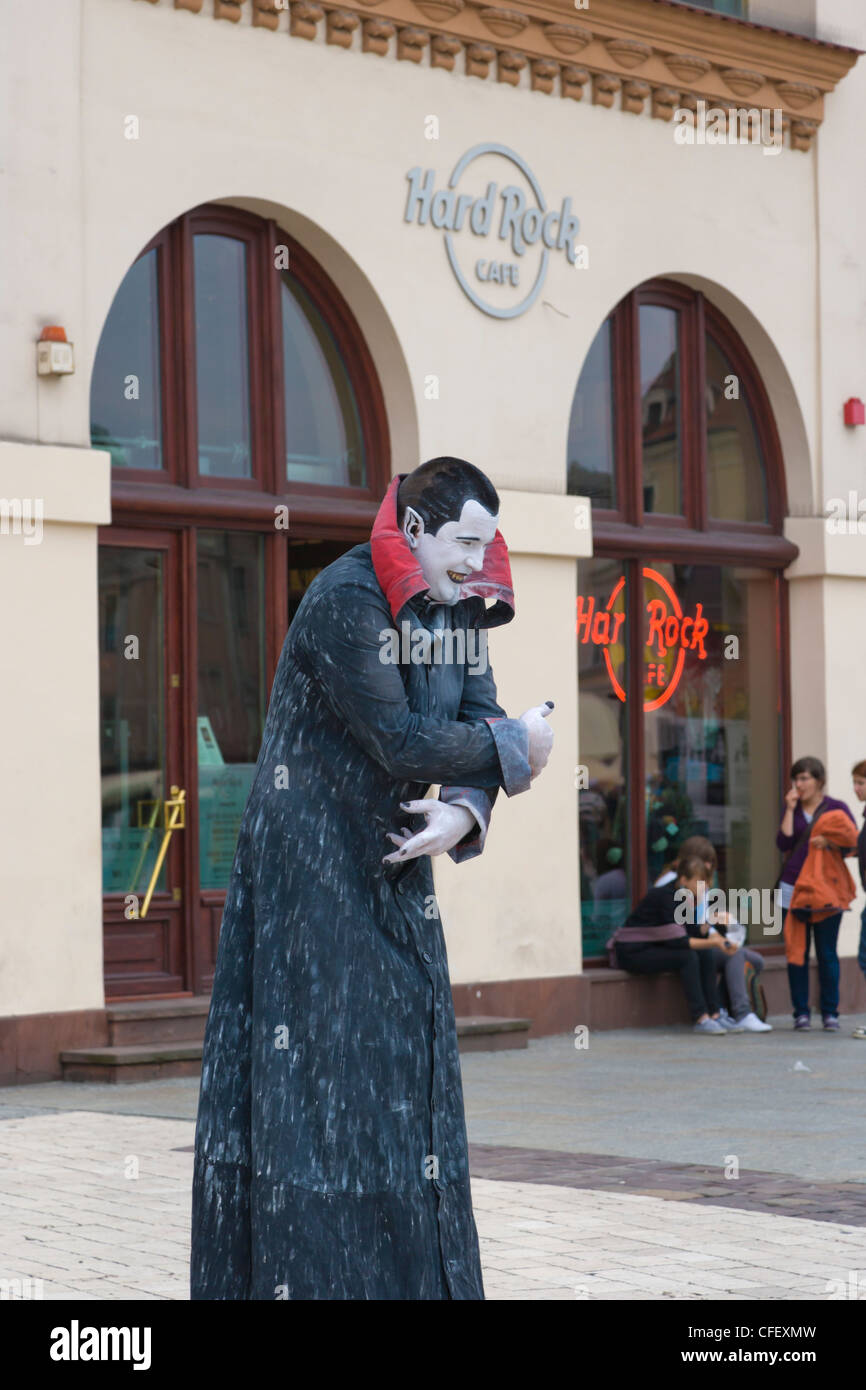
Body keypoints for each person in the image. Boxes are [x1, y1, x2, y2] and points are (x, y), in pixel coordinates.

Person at [190, 457, 554, 1301]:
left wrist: (466, 810)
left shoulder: (457, 603)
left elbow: (475, 713)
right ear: (417, 531)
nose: (474, 562)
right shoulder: (347, 600)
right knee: (323, 1084)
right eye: (464, 541)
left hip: (391, 858)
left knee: (403, 1070)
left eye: (486, 545)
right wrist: (516, 755)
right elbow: (399, 738)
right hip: (309, 870)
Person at [777, 756, 858, 1031]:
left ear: (818, 781)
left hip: (825, 889)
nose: (798, 784)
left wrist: (829, 841)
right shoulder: (794, 808)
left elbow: (852, 843)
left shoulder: (836, 807)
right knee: (796, 950)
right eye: (795, 779)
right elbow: (783, 842)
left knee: (826, 951)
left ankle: (829, 1012)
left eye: (804, 779)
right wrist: (789, 809)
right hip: (793, 888)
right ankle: (800, 1012)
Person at [614, 854, 735, 1034]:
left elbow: (692, 932)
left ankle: (715, 1014)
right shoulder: (665, 897)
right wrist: (714, 941)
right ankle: (701, 1018)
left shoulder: (684, 897)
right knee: (688, 956)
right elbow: (680, 941)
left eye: (706, 882)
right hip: (633, 952)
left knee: (705, 952)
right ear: (684, 880)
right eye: (700, 882)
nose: (705, 887)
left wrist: (712, 923)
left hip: (655, 947)